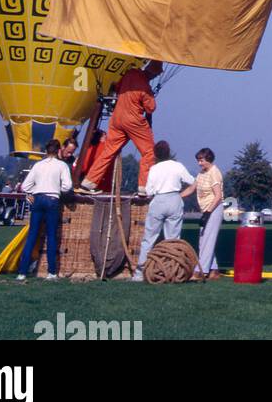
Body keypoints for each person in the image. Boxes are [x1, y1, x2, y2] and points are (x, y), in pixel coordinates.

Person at [81, 63, 161, 195]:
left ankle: (89, 181)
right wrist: (150, 94)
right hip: (133, 120)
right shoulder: (145, 87)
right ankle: (143, 187)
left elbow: (117, 88)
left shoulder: (130, 73)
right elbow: (151, 108)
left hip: (117, 118)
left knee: (109, 150)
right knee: (149, 152)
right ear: (153, 73)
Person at [132, 140, 195, 282]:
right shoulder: (177, 166)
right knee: (173, 241)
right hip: (175, 200)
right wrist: (181, 195)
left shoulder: (154, 169)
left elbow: (148, 191)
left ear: (156, 154)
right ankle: (173, 272)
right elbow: (192, 182)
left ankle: (139, 274)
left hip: (158, 201)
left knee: (149, 238)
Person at [16, 140, 73, 281]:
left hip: (38, 198)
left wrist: (36, 190)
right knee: (52, 236)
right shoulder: (62, 166)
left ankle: (22, 272)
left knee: (32, 235)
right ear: (59, 150)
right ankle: (51, 272)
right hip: (52, 200)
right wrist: (56, 189)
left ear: (46, 151)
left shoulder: (38, 165)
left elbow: (25, 187)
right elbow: (68, 186)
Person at [193, 148, 224, 280]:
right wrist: (178, 196)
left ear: (209, 159)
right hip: (206, 209)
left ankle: (201, 271)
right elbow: (192, 187)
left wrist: (208, 213)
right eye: (198, 160)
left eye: (201, 160)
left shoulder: (214, 173)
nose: (199, 163)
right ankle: (213, 270)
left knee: (207, 240)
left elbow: (218, 196)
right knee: (203, 240)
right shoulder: (202, 174)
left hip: (214, 209)